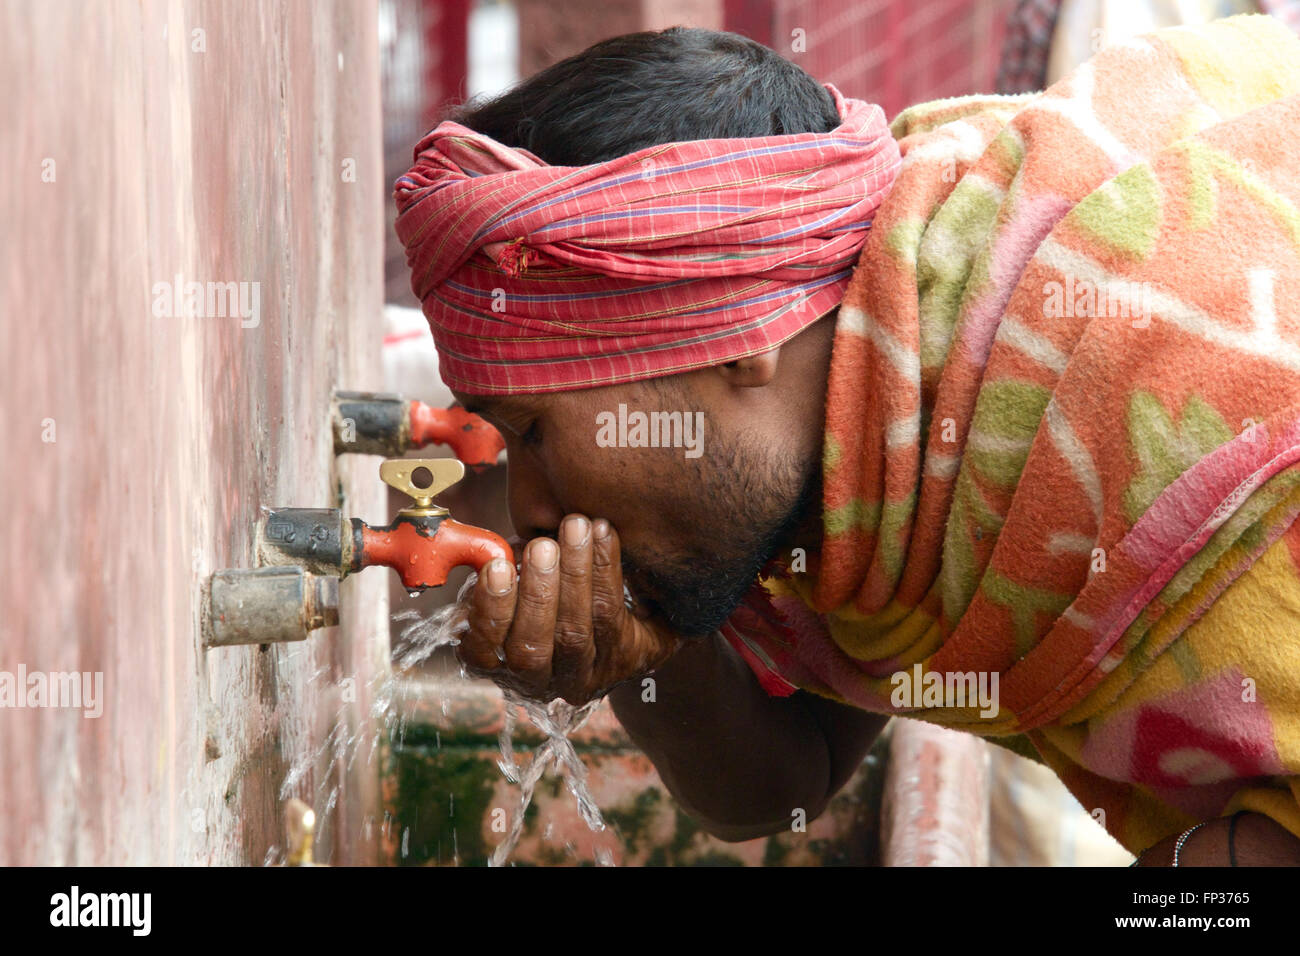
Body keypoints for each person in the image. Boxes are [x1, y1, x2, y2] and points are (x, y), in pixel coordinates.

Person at [394, 19, 1300, 865]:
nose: (527, 511)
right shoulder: (877, 403)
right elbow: (785, 789)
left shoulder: (1168, 417)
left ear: (741, 339)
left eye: (536, 433)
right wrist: (645, 657)